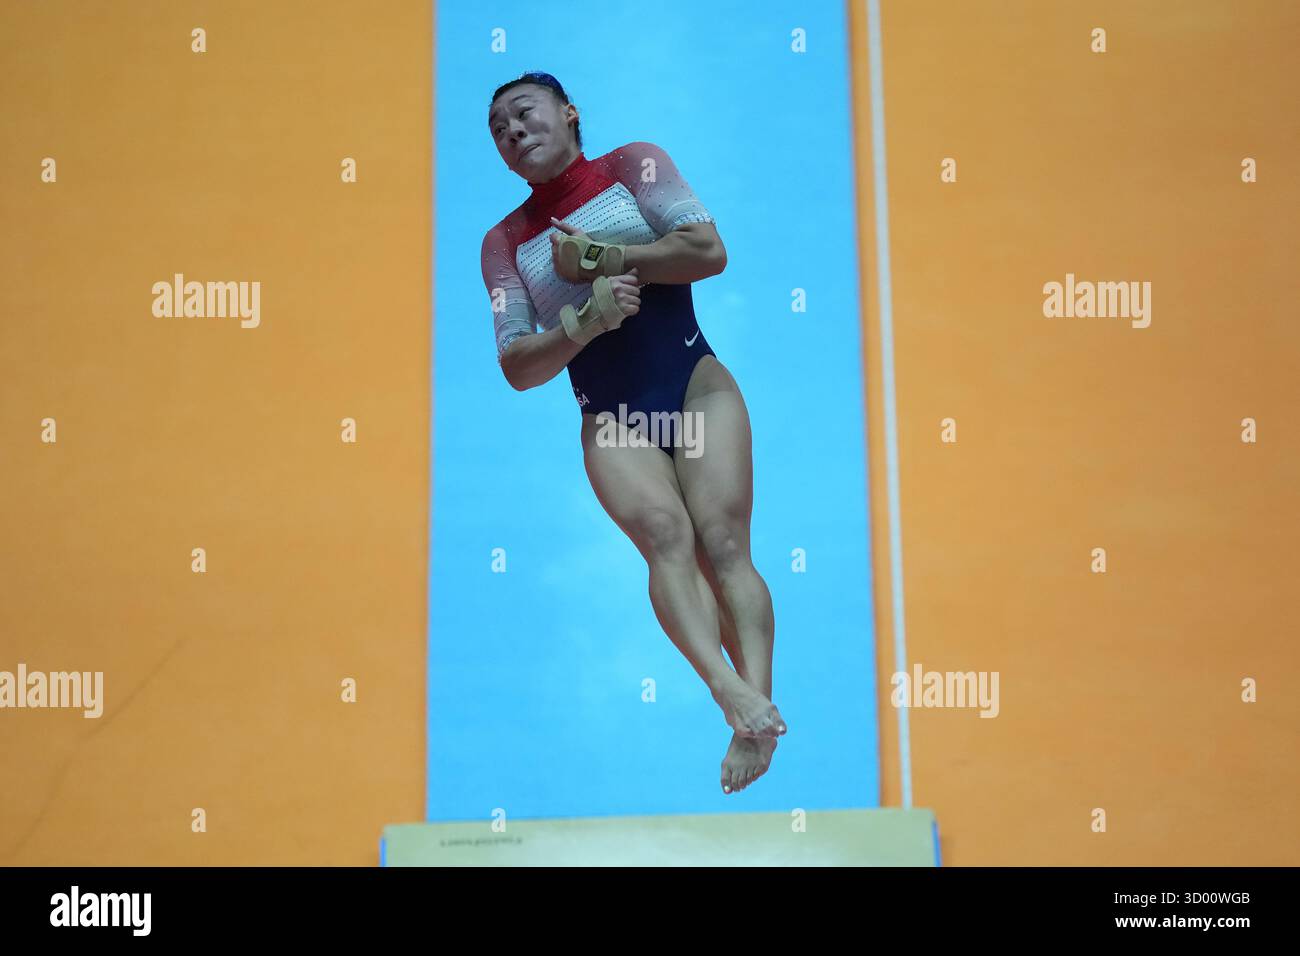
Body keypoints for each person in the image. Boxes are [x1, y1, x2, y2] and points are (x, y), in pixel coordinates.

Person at [482, 72, 785, 794]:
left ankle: (761, 704)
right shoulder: (504, 242)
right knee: (664, 534)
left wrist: (615, 259)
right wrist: (582, 321)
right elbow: (517, 366)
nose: (513, 131)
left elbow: (707, 251)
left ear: (569, 112)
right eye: (498, 129)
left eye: (523, 114)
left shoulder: (633, 167)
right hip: (610, 413)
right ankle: (730, 696)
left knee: (724, 542)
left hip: (693, 383)